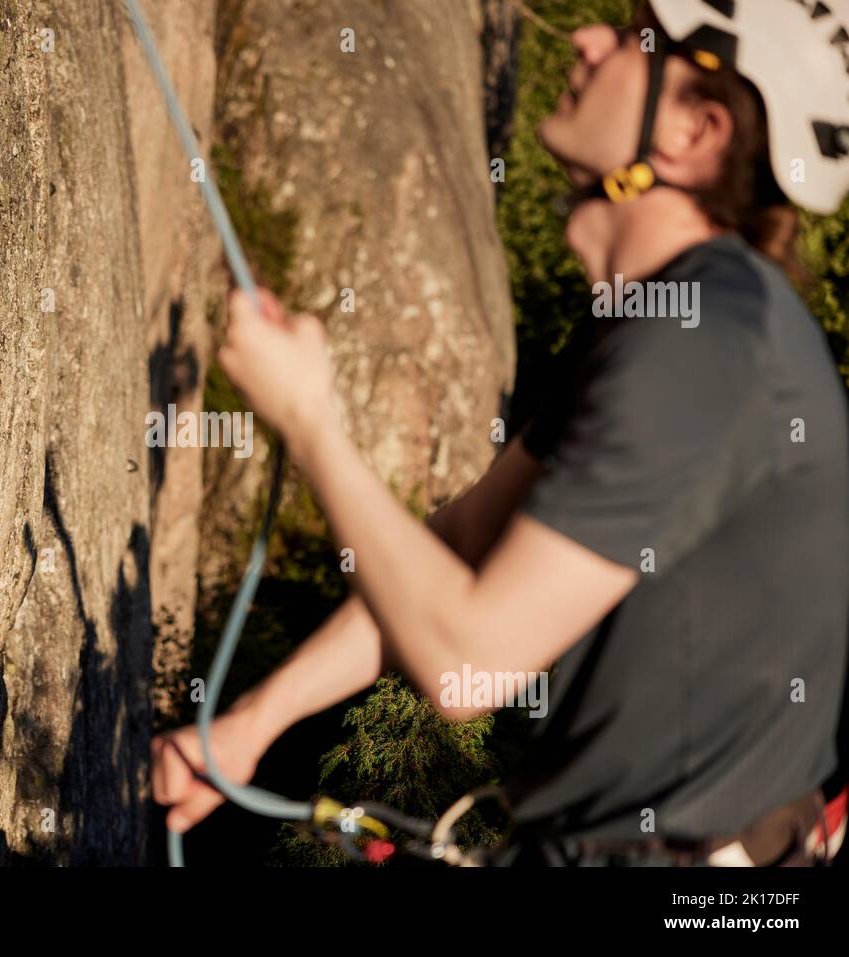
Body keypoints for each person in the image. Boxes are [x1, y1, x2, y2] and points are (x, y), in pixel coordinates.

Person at [152, 0, 849, 865]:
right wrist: (251, 724)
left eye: (638, 38)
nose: (589, 41)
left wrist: (310, 422)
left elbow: (467, 665)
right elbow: (459, 548)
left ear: (695, 130)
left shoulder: (704, 340)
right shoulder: (657, 320)